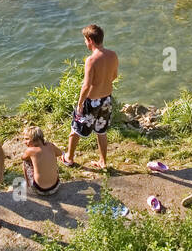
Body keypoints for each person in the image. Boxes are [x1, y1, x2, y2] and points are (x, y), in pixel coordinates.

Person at [63, 23, 119, 169]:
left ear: (90, 40)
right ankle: (103, 161)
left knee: (75, 129)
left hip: (91, 102)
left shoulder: (91, 60)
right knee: (101, 131)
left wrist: (80, 103)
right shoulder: (113, 55)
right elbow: (114, 76)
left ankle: (68, 158)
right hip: (106, 99)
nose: (85, 42)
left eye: (85, 39)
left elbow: (86, 86)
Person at [19, 125, 60, 198]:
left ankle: (28, 186)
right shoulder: (50, 145)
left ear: (34, 139)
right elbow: (59, 153)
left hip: (40, 190)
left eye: (27, 139)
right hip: (56, 186)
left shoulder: (30, 151)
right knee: (52, 157)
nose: (24, 142)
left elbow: (22, 158)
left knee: (26, 162)